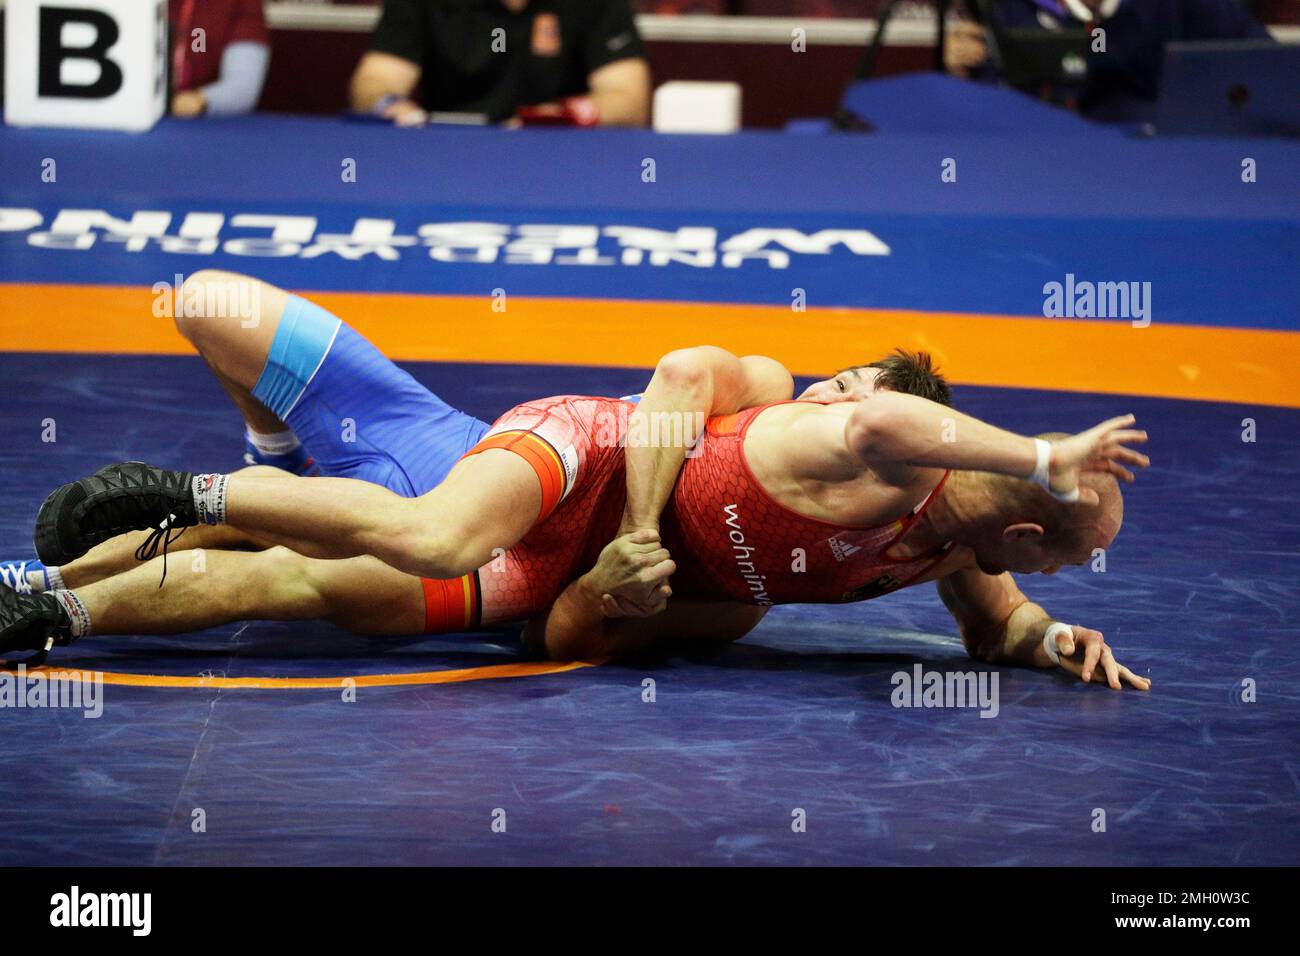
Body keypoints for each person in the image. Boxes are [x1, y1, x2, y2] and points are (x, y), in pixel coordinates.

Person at [6, 282, 1150, 692]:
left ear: (1021, 537)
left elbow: (1000, 619)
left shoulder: (957, 550)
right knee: (432, 532)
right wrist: (1041, 453)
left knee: (304, 586)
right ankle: (200, 491)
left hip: (559, 562)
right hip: (579, 448)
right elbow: (672, 383)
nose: (840, 392)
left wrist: (1052, 641)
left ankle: (61, 599)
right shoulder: (829, 413)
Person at [946, 0, 1273, 121]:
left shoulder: (1188, 6)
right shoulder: (1001, 9)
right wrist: (956, 75)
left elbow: (1268, 67)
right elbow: (986, 111)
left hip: (1157, 176)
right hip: (1031, 174)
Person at [350, 0, 651, 127]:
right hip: (447, 156)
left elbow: (628, 99)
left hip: (561, 157)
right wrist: (389, 104)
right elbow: (375, 80)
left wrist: (558, 116)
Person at [168, 0, 271, 118]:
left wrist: (198, 101)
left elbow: (241, 88)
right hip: (151, 119)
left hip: (211, 125)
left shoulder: (242, 4)